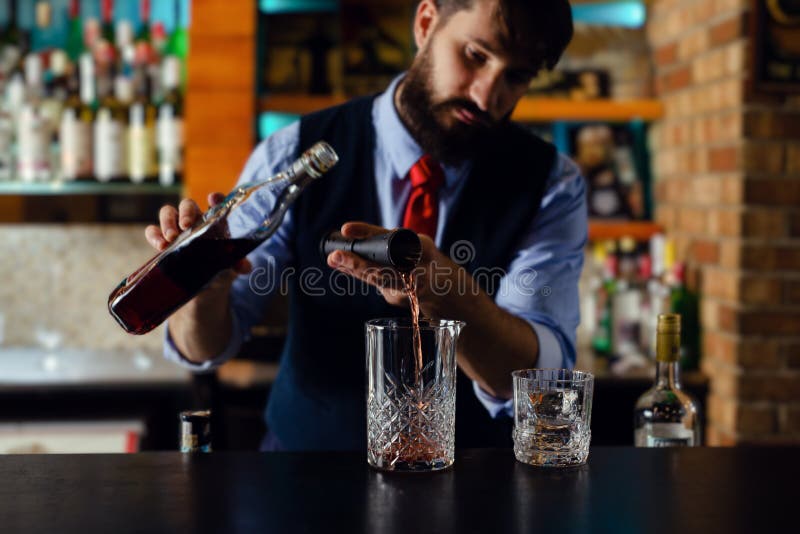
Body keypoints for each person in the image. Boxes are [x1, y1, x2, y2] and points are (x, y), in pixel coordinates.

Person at [148, 0, 585, 451]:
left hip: (473, 477)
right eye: (475, 55)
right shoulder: (293, 154)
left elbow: (535, 382)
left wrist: (445, 292)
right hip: (304, 472)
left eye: (517, 77)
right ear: (426, 23)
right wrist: (202, 293)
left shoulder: (552, 184)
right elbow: (202, 349)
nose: (486, 97)